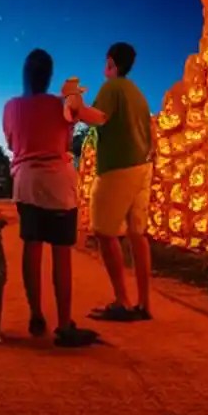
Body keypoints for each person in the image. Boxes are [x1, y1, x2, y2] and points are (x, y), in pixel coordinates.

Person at [2, 49, 99, 347]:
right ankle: (64, 322)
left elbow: (10, 142)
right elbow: (85, 122)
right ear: (49, 75)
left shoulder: (11, 107)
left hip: (27, 183)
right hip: (58, 184)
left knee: (32, 247)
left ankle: (35, 313)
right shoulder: (61, 105)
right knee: (61, 253)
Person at [70, 42, 153, 322]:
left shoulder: (112, 88)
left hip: (118, 168)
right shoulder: (138, 94)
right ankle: (144, 302)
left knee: (105, 233)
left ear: (111, 62)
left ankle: (122, 301)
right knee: (137, 234)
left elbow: (97, 118)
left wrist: (75, 103)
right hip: (142, 166)